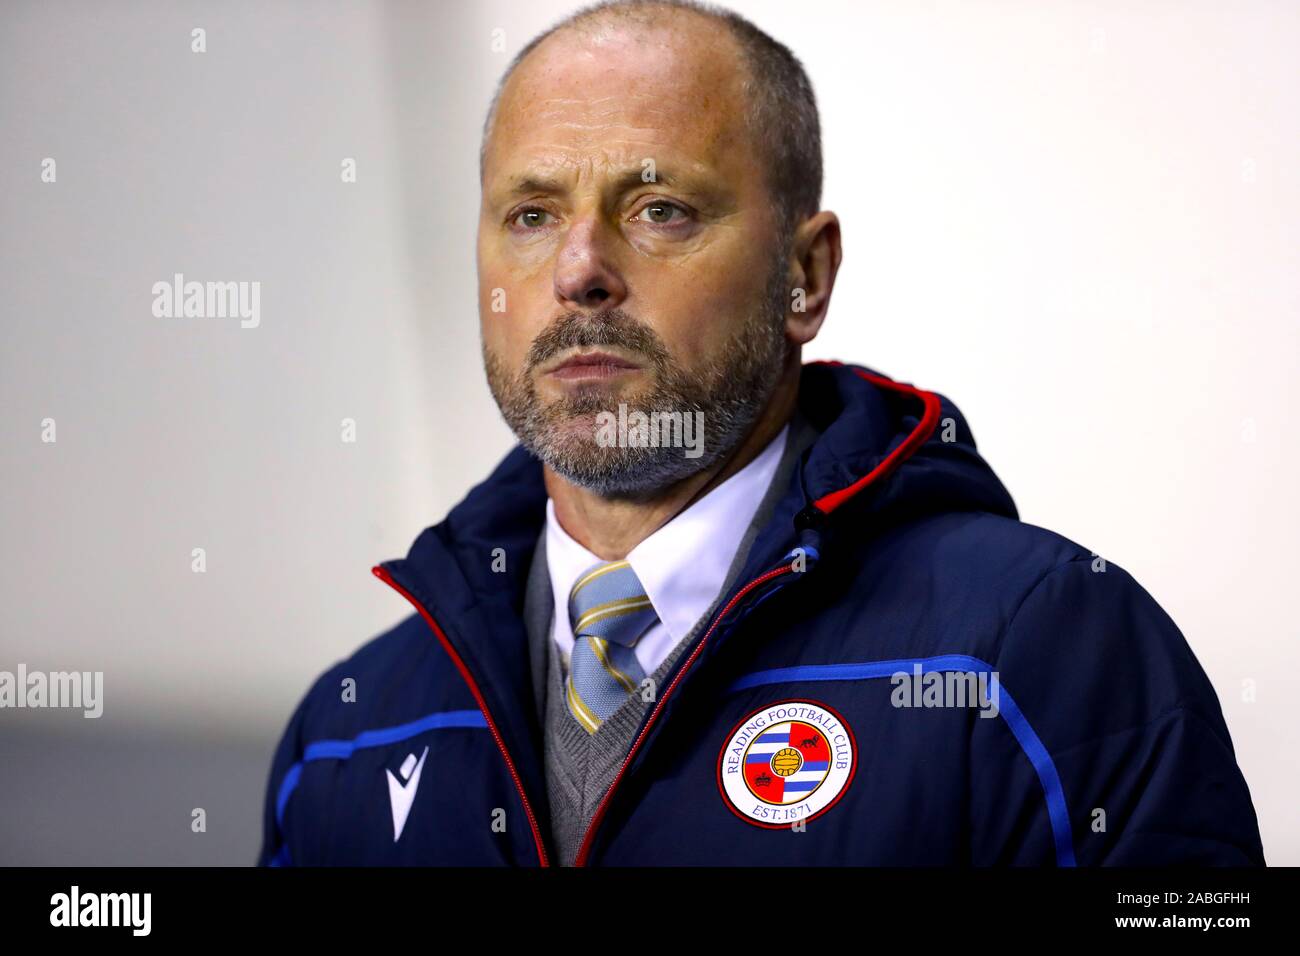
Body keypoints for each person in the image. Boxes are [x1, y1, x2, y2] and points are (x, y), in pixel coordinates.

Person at [259, 0, 1264, 866]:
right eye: (529, 215)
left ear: (805, 275)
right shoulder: (351, 728)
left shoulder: (1039, 655)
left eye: (658, 208)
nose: (578, 271)